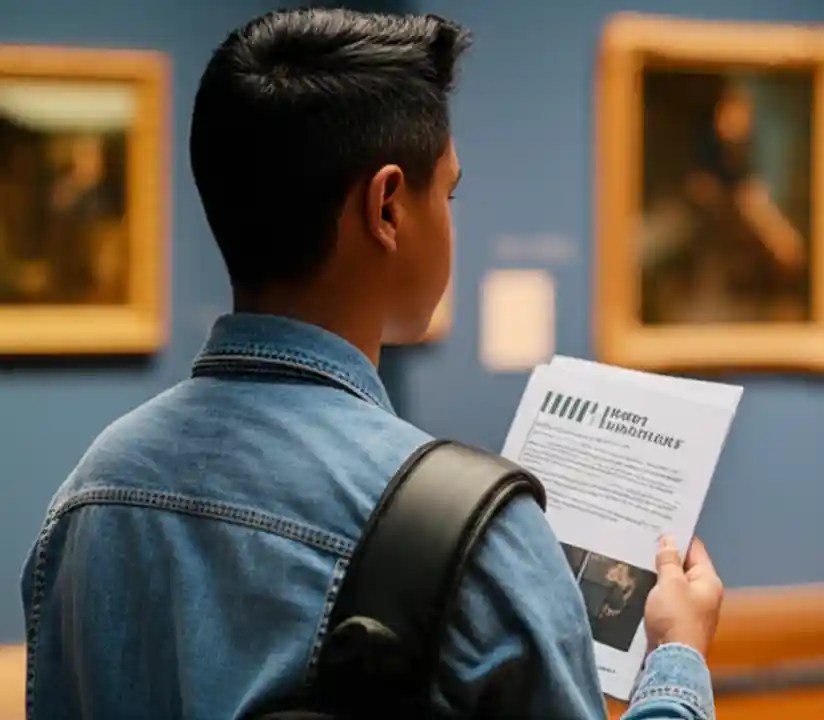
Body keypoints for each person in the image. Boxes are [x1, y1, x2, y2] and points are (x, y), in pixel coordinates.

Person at [19, 8, 723, 720]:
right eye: (447, 193)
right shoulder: (487, 542)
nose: (450, 218)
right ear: (387, 206)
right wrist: (676, 660)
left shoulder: (90, 499)